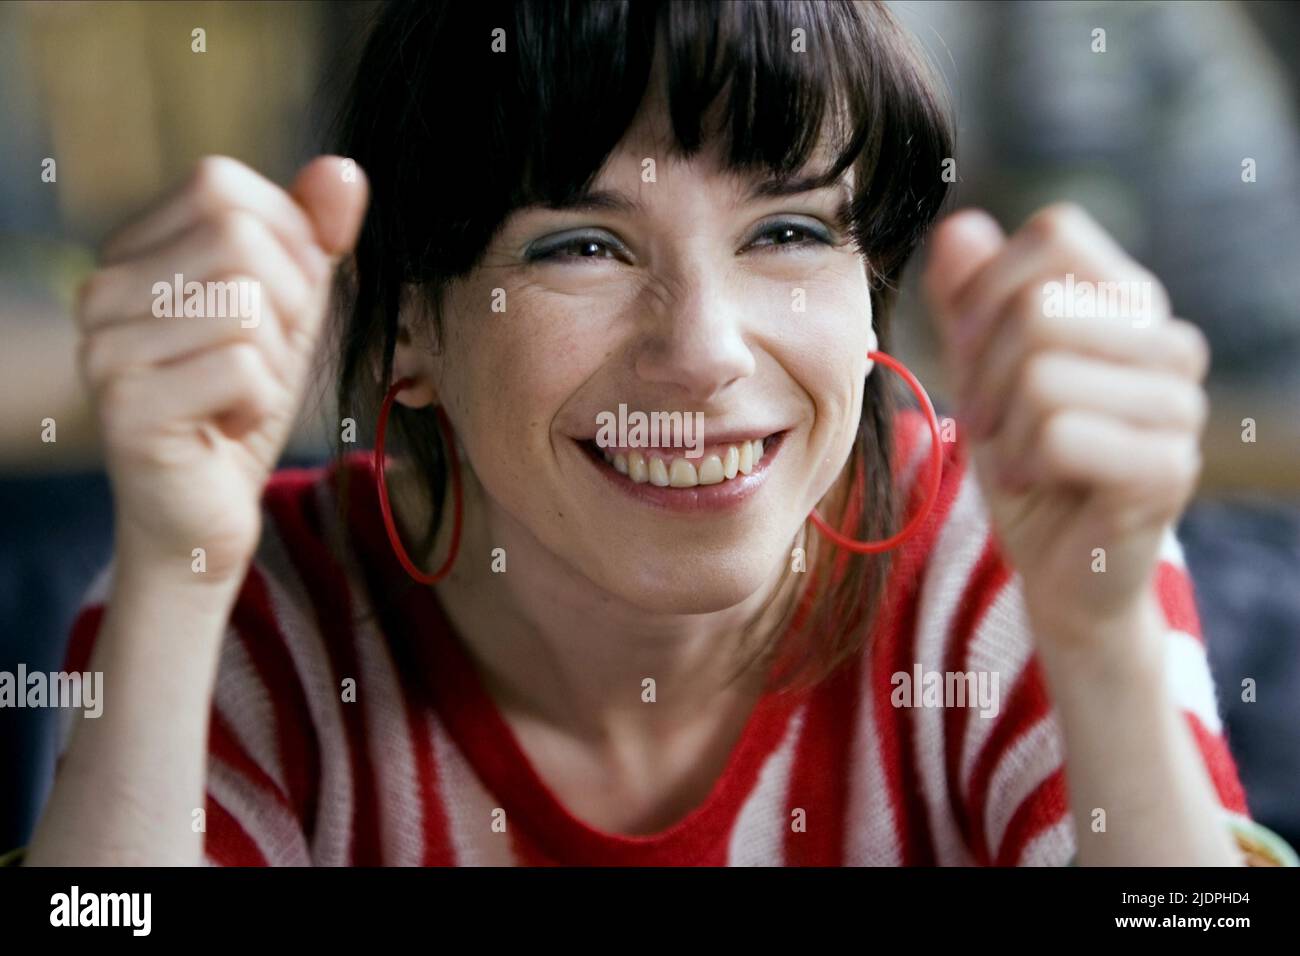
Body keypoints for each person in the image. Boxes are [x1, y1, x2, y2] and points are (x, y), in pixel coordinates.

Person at [13, 0, 1296, 867]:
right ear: (407, 330)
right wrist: (176, 575)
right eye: (580, 246)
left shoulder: (1007, 556)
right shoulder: (230, 603)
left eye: (788, 231)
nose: (706, 350)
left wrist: (1105, 633)